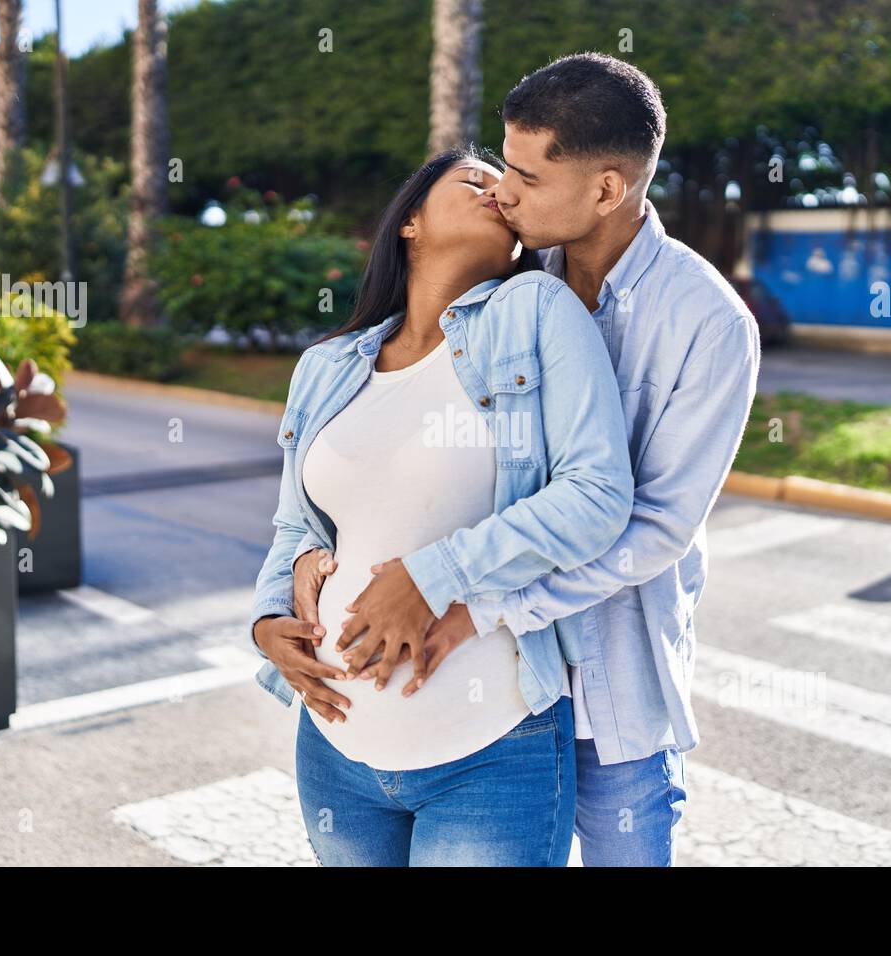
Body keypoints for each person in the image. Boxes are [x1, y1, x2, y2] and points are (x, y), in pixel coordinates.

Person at [298, 53, 761, 867]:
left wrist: (471, 605)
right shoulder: (510, 284)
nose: (503, 192)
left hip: (610, 680)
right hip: (489, 693)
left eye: (525, 177)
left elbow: (655, 527)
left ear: (608, 190)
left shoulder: (708, 321)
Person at [248, 144, 634, 866]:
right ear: (410, 225)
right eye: (476, 180)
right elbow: (295, 524)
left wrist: (432, 574)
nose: (501, 192)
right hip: (335, 747)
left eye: (513, 187)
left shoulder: (534, 311)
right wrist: (268, 621)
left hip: (490, 750)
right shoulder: (328, 366)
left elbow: (596, 497)